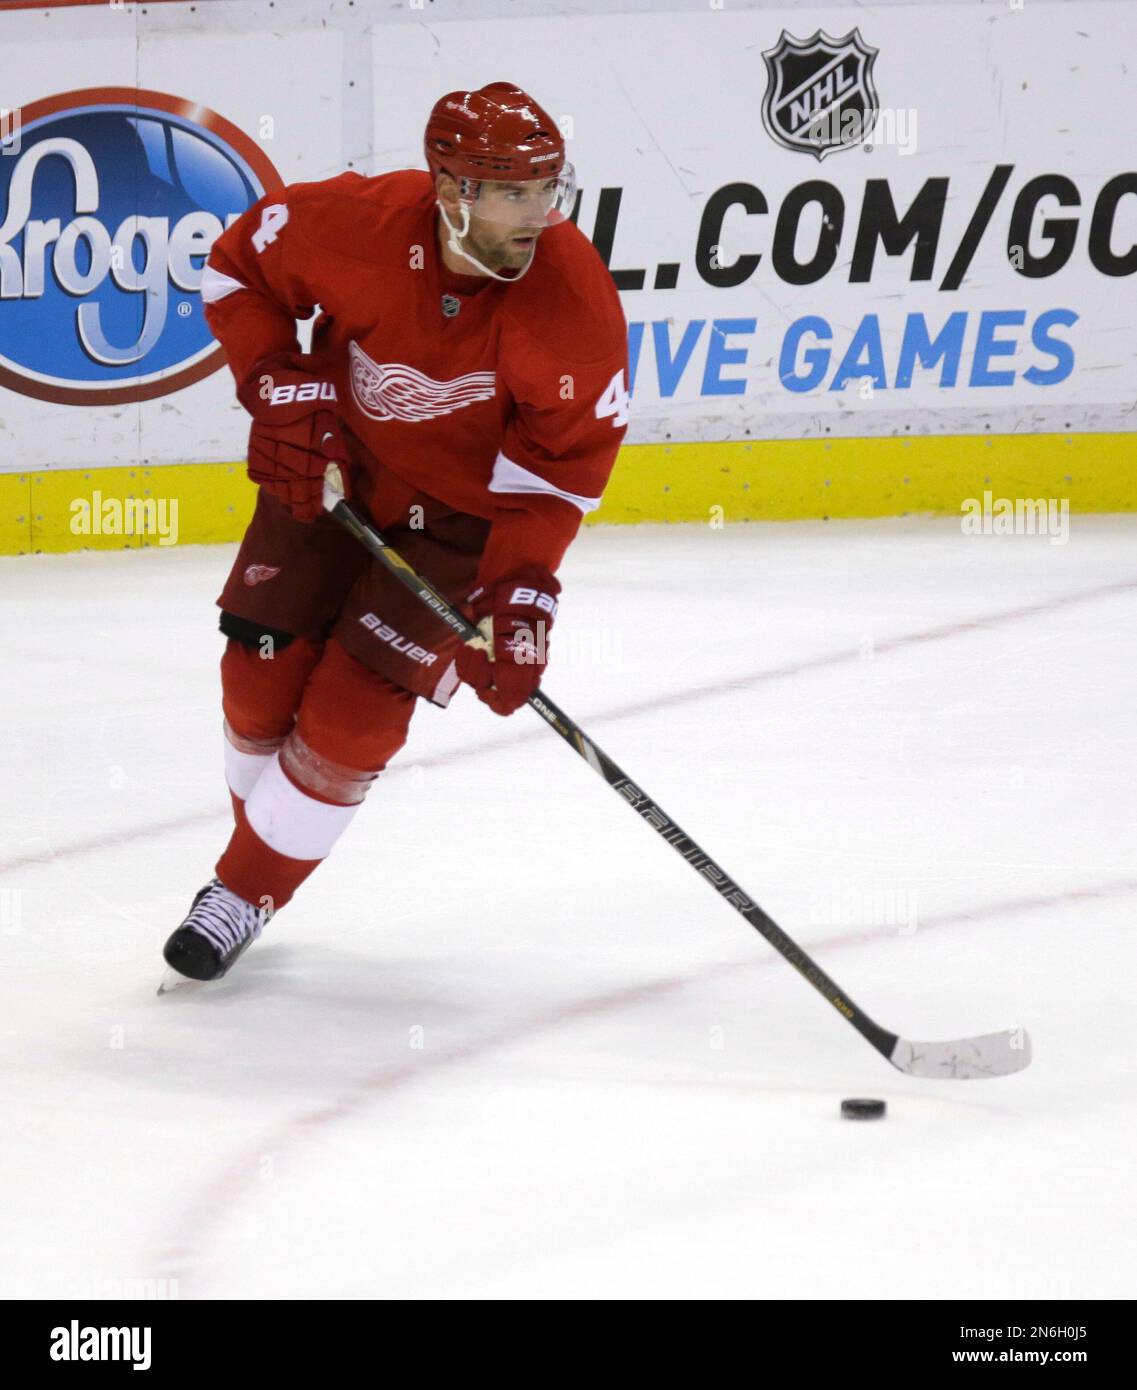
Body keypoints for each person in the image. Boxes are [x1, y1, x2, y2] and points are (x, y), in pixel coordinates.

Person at [161, 82, 630, 984]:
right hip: (333, 467)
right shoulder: (353, 224)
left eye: (550, 188)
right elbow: (234, 269)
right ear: (452, 189)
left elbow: (555, 475)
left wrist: (522, 591)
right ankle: (264, 856)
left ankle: (243, 889)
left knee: (350, 714)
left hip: (460, 521)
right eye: (517, 193)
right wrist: (279, 386)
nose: (543, 213)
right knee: (256, 674)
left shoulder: (572, 305)